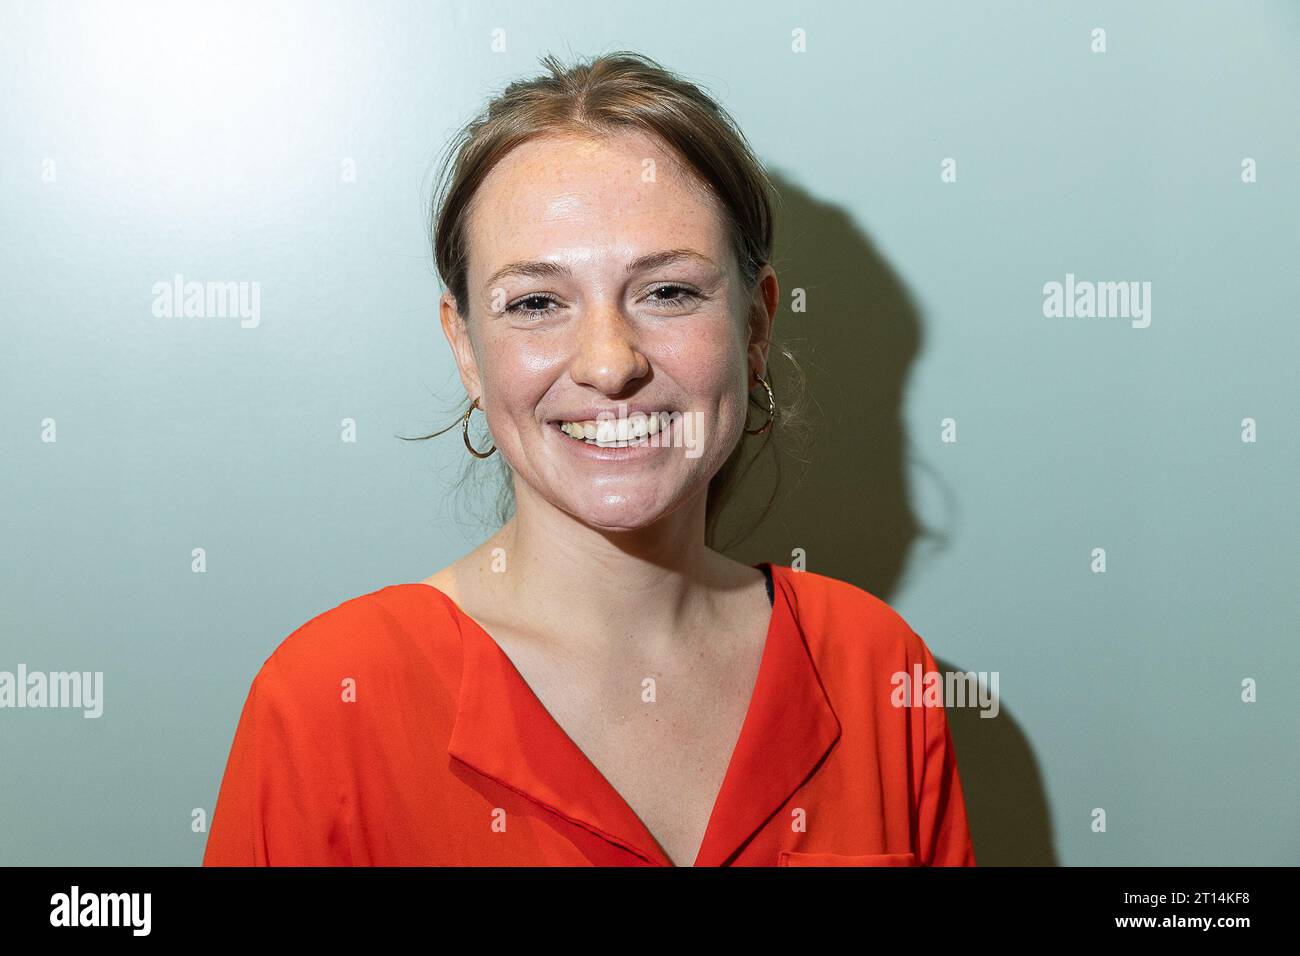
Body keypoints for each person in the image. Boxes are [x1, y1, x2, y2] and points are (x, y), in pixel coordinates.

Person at [202, 50, 976, 867]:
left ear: (756, 328)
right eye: (537, 303)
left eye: (668, 292)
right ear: (466, 348)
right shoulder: (332, 701)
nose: (610, 365)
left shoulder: (875, 667)